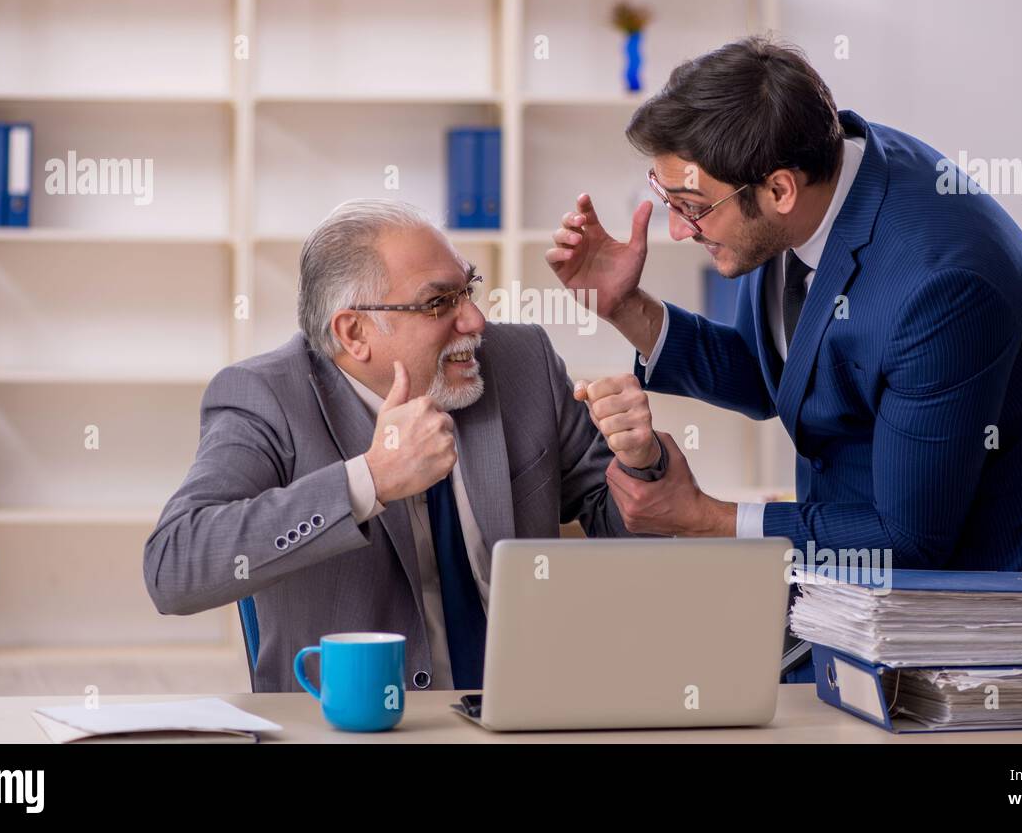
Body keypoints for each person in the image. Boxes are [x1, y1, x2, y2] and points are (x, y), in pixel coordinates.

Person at [547, 37, 1022, 679]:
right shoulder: (807, 177)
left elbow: (909, 541)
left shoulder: (945, 285)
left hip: (956, 617)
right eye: (668, 200)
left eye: (693, 208)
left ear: (778, 188)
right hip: (843, 579)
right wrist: (626, 307)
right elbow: (773, 373)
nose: (677, 230)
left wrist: (704, 517)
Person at [145, 199, 664, 692]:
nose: (474, 322)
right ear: (354, 332)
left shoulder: (521, 361)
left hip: (523, 712)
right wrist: (368, 481)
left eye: (469, 290)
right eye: (439, 302)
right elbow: (174, 568)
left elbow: (638, 542)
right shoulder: (266, 397)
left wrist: (640, 461)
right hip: (355, 726)